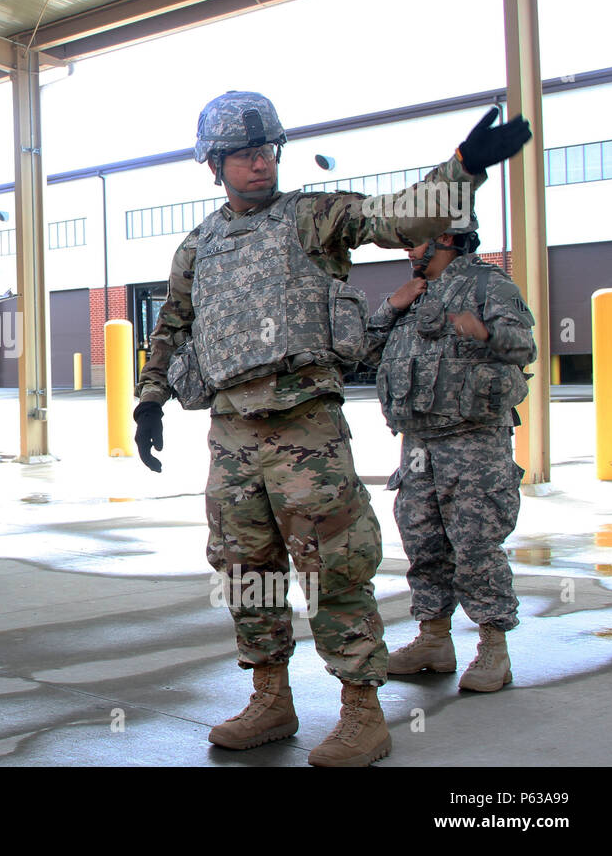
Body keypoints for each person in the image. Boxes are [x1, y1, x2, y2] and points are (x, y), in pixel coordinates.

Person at [133, 94, 530, 766]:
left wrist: (460, 170)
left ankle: (360, 712)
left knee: (333, 567)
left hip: (306, 424)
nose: (262, 165)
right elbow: (172, 325)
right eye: (245, 155)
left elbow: (388, 216)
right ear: (215, 165)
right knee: (245, 570)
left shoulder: (313, 216)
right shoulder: (197, 245)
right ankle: (270, 698)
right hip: (231, 431)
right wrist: (148, 400)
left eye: (268, 151)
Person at [364, 214, 535, 693]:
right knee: (423, 543)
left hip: (472, 441)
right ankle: (434, 639)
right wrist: (389, 308)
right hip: (417, 446)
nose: (408, 251)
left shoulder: (487, 285)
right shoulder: (412, 294)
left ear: (445, 238)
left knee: (476, 545)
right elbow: (362, 352)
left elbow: (524, 345)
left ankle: (493, 648)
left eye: (414, 241)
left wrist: (482, 331)